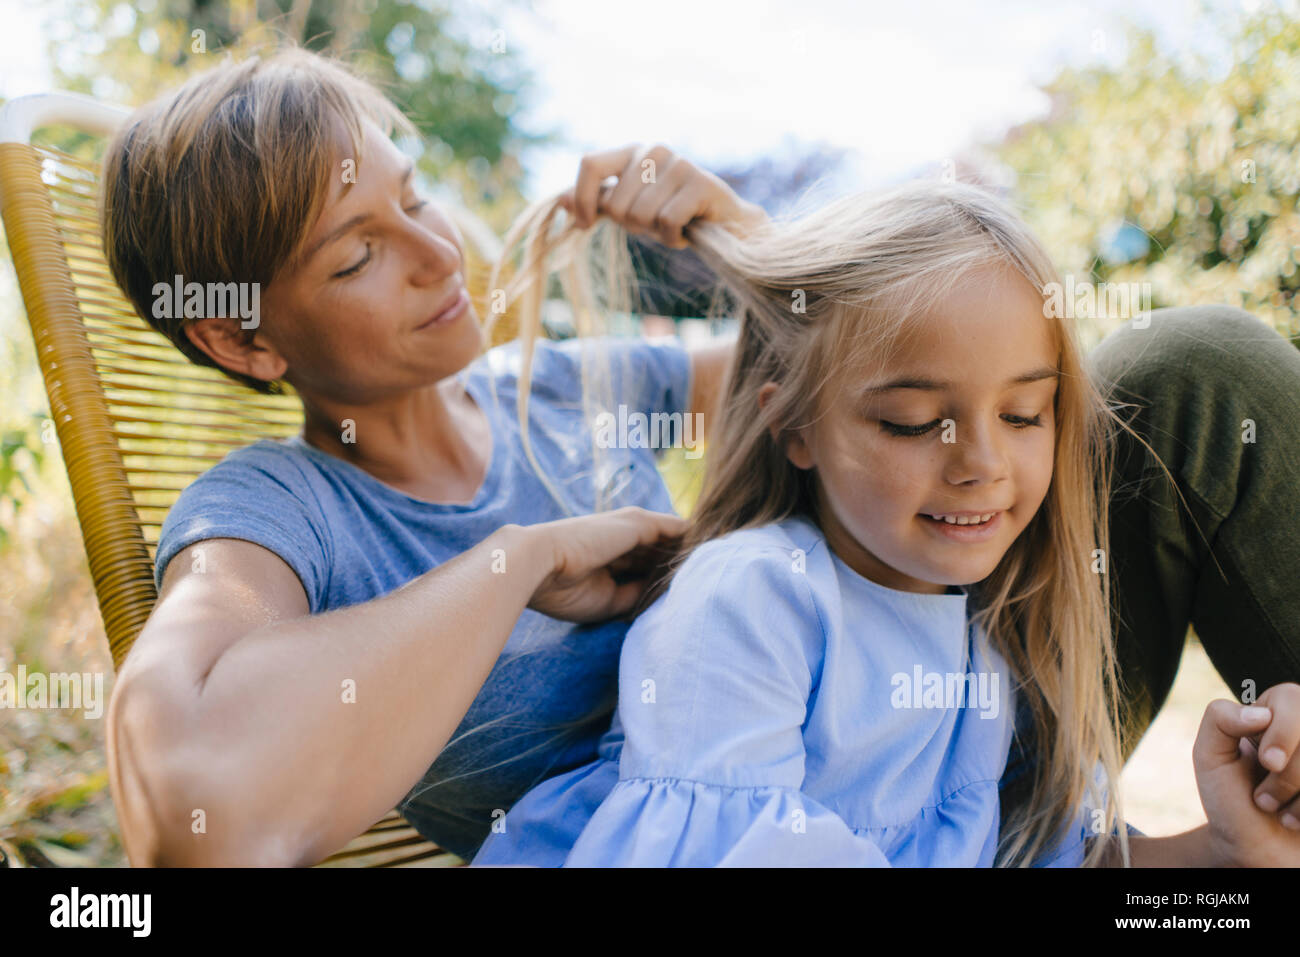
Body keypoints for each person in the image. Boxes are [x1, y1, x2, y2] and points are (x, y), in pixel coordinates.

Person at [99, 46, 1300, 867]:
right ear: (239, 335)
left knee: (1198, 372)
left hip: (941, 756)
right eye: (358, 255)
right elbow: (193, 806)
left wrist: (738, 235)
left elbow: (897, 386)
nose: (435, 254)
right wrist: (520, 560)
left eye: (414, 198)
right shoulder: (275, 509)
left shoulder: (564, 390)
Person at [472, 181, 1300, 867]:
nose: (981, 462)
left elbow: (1051, 857)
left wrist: (1227, 847)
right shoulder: (751, 599)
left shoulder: (997, 615)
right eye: (910, 421)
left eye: (1023, 413)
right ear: (794, 427)